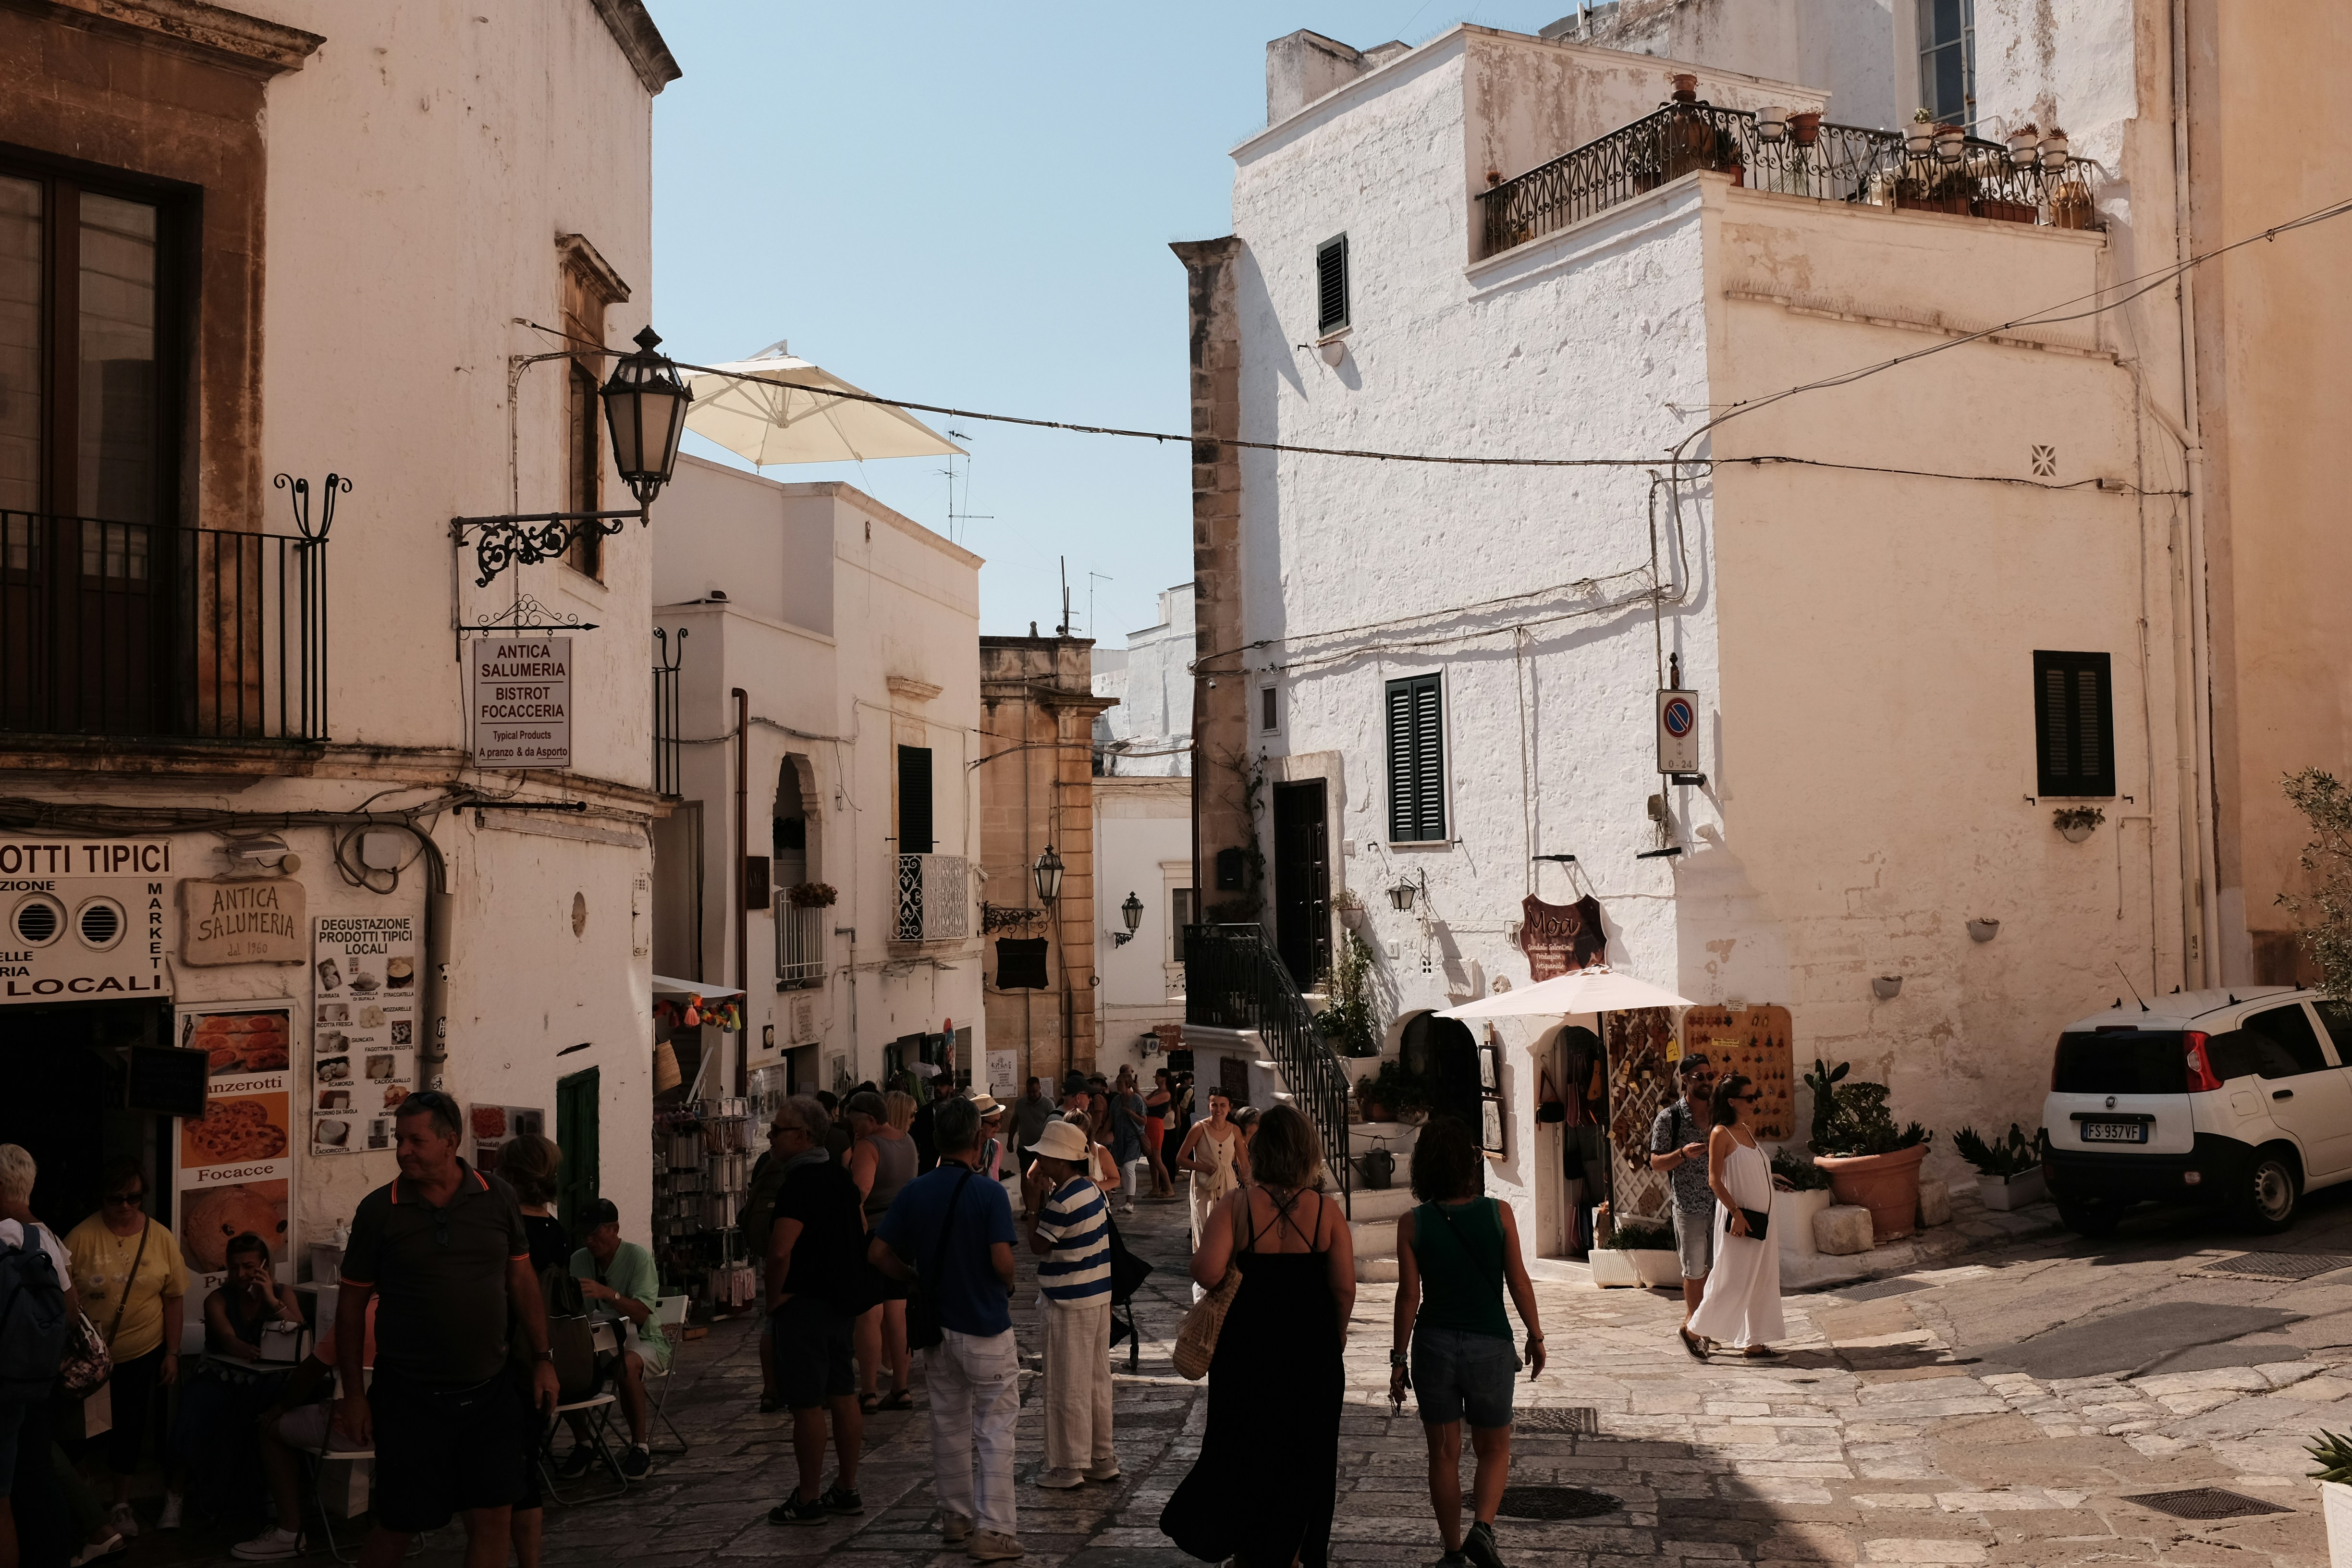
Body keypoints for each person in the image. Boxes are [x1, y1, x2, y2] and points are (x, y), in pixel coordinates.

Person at [331, 1090, 558, 1568]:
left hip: (489, 1392)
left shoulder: (499, 1197)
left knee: (494, 1516)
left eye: (416, 1140)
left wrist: (542, 1360)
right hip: (411, 1397)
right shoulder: (380, 1210)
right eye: (400, 1140)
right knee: (398, 1523)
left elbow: (521, 1278)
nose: (402, 1151)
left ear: (450, 1141)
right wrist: (354, 1394)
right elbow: (350, 1306)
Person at [1161, 1104, 1353, 1568]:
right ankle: (1297, 1551)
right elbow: (1345, 1286)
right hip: (1312, 1353)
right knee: (1308, 1455)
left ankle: (1254, 1546)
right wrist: (1337, 1336)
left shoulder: (1238, 1206)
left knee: (1246, 1448)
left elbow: (1207, 1272)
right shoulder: (1326, 1212)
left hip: (1247, 1352)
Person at [1387, 1118, 1545, 1568]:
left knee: (1443, 1452)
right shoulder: (1500, 1214)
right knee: (1494, 1447)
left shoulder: (1412, 1224)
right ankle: (1484, 1529)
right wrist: (1535, 1336)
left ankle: (1453, 1550)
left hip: (1434, 1346)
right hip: (1491, 1346)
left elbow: (1409, 1297)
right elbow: (1518, 1282)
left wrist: (1399, 1361)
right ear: (1468, 1164)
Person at [869, 1098, 1020, 1562]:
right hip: (986, 1326)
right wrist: (1009, 1279)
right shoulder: (989, 1194)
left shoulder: (916, 1192)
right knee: (995, 1427)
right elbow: (1002, 1261)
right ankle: (993, 1531)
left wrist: (913, 1278)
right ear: (979, 1139)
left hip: (938, 1328)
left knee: (948, 1424)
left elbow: (877, 1254)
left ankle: (955, 1517)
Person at [64, 1159, 187, 1537]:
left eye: (134, 1197)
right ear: (102, 1197)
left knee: (130, 1428)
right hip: (90, 1357)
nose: (125, 1206)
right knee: (82, 1433)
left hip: (141, 1352)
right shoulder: (80, 1238)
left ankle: (121, 1504)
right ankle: (82, 1500)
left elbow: (174, 1297)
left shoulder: (161, 1238)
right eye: (116, 1199)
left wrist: (172, 1352)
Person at [765, 1095, 867, 1526]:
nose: (771, 1138)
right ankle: (847, 1487)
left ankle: (808, 1498)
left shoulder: (798, 1184)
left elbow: (780, 1251)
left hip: (804, 1305)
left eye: (778, 1131)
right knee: (843, 1394)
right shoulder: (841, 1179)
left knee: (806, 1403)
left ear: (803, 1136)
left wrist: (774, 1299)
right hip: (840, 1304)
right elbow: (860, 1231)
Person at [228, 1294, 376, 1561]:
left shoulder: (362, 1316)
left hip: (353, 1433)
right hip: (407, 1434)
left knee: (272, 1429)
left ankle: (289, 1531)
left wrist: (280, 1407)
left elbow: (307, 1373)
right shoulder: (422, 1311)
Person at [1, 1144, 83, 1568]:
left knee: (22, 1477)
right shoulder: (44, 1236)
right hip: (38, 1375)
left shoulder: (5, 1236)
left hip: (10, 1380)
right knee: (34, 1471)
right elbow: (71, 1312)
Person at [1022, 1122, 1116, 1490]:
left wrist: (1033, 1208)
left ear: (1060, 1160)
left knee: (1066, 1384)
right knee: (1096, 1381)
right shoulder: (1092, 1191)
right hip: (1097, 1297)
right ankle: (1101, 1457)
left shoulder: (1062, 1202)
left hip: (1068, 1301)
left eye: (1044, 1155)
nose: (1039, 1161)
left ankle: (1067, 1466)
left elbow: (1038, 1246)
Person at [492, 1133, 562, 1567]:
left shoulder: (505, 1230)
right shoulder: (557, 1231)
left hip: (509, 1357)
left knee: (501, 1475)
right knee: (526, 1468)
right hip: (544, 1358)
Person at [565, 1200, 669, 1479]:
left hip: (642, 1339)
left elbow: (643, 1314)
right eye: (585, 1235)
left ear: (615, 1229)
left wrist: (609, 1294)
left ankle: (640, 1447)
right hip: (597, 1341)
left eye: (595, 1234)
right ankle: (585, 1442)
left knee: (627, 1366)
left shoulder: (637, 1258)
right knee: (561, 1367)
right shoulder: (579, 1260)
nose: (589, 1241)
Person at [1687, 1074, 1788, 1359]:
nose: (1755, 1101)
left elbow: (1747, 1167)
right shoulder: (1721, 1133)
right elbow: (1715, 1180)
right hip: (1740, 1222)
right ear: (1732, 1101)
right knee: (1732, 1280)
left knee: (1761, 1278)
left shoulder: (1745, 1129)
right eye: (1750, 1097)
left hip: (1762, 1221)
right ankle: (1693, 1331)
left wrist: (1770, 1177)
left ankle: (1753, 1342)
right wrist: (1736, 1213)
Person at [846, 1091, 915, 1413]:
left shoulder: (868, 1145)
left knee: (870, 1313)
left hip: (874, 1234)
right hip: (903, 1233)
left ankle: (869, 1391)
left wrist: (855, 1218)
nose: (853, 1128)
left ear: (871, 1119)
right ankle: (901, 1388)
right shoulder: (908, 1142)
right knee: (898, 1313)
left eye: (856, 1121)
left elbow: (859, 1189)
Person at [1648, 1054, 1716, 1355]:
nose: (1706, 1081)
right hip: (1689, 1204)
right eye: (1699, 1076)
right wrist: (1683, 1155)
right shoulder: (1669, 1118)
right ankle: (1693, 1323)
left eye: (1709, 1076)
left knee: (1719, 1268)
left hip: (1722, 1202)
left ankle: (1710, 1323)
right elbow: (1656, 1162)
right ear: (1685, 1080)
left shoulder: (1719, 1115)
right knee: (1694, 1270)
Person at [1175, 1088, 1249, 1256]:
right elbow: (1180, 1159)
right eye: (1214, 1105)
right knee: (1205, 1227)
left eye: (1223, 1105)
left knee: (1228, 1228)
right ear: (1209, 1106)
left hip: (1228, 1184)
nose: (1218, 1109)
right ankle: (1206, 1271)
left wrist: (1252, 1187)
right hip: (1204, 1186)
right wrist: (1205, 1168)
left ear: (1230, 1107)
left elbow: (1244, 1164)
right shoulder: (1199, 1128)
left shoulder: (1235, 1131)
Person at [1011, 1079, 1055, 1217]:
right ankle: (1028, 1207)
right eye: (1029, 1092)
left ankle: (1042, 1205)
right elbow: (1014, 1121)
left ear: (1040, 1088)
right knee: (1025, 1177)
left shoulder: (1048, 1104)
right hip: (1025, 1147)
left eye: (1035, 1091)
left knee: (1042, 1176)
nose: (1032, 1095)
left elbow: (1054, 1124)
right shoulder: (1020, 1104)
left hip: (1042, 1148)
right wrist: (1009, 1140)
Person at [1107, 1071, 1146, 1218]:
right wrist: (1101, 1136)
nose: (1118, 1086)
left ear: (1128, 1085)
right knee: (1123, 1169)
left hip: (1133, 1139)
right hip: (1120, 1139)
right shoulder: (1116, 1101)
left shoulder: (1136, 1100)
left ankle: (1130, 1202)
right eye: (1117, 1083)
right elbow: (1111, 1119)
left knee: (1129, 1168)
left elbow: (1144, 1121)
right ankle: (1127, 1201)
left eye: (1121, 1083)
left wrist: (1130, 1113)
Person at [911, 1073, 958, 1173]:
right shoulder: (923, 1113)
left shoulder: (958, 1112)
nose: (937, 1088)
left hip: (953, 1167)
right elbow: (914, 1140)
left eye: (942, 1085)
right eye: (935, 1085)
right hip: (927, 1168)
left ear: (950, 1088)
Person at [1142, 1070, 1175, 1200]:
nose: (1155, 1077)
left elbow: (1148, 1103)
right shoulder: (1157, 1092)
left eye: (1158, 1075)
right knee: (1151, 1160)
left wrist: (1135, 1088)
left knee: (1157, 1159)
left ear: (1164, 1079)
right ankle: (1155, 1188)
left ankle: (1169, 1189)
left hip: (1156, 1125)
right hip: (1149, 1124)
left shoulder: (1166, 1094)